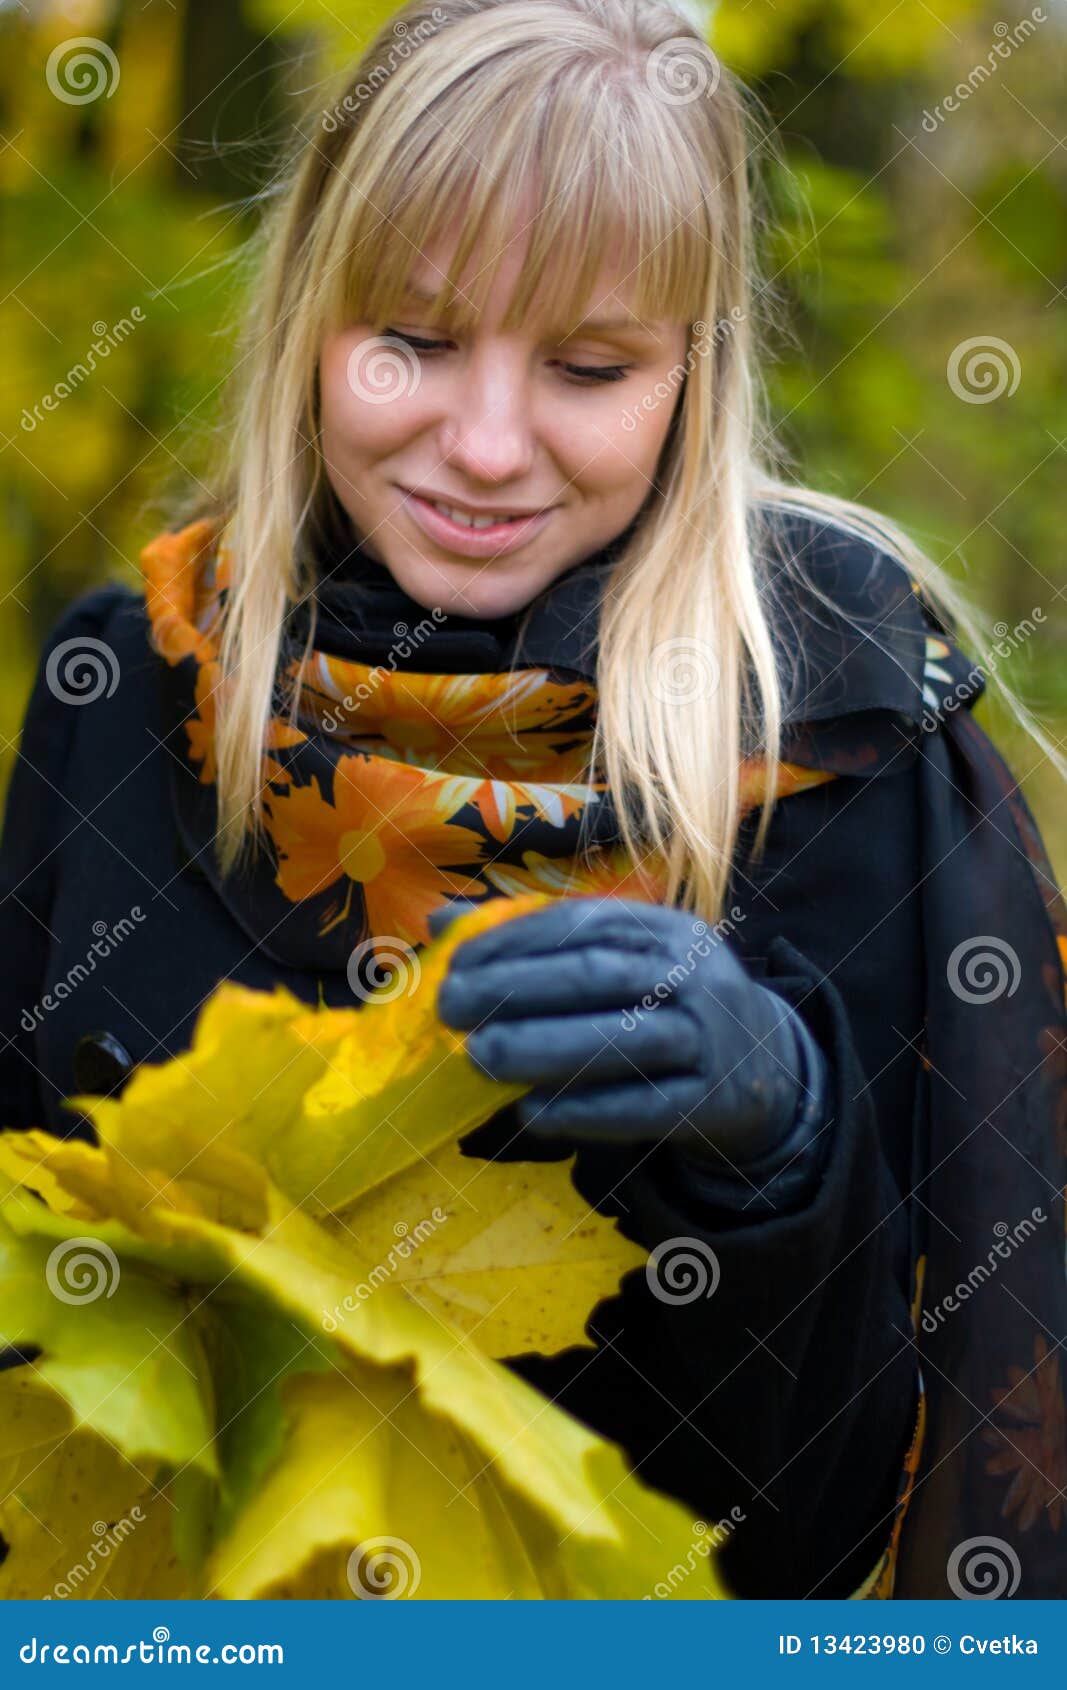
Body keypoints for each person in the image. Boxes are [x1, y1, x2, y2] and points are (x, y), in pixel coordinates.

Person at [1, 0, 1064, 1601]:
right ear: (306, 315)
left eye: (586, 365)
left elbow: (851, 1513)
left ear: (692, 375)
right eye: (411, 342)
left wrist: (779, 1137)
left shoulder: (833, 731)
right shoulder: (130, 680)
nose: (485, 445)